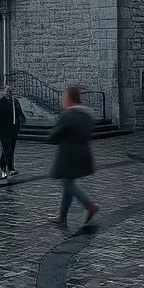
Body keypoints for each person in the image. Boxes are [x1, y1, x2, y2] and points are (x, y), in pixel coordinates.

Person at [45, 86, 99, 230]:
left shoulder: (68, 115)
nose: (63, 101)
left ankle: (90, 205)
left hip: (69, 155)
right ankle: (62, 216)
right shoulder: (86, 115)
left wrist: (52, 135)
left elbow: (54, 137)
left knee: (69, 185)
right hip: (84, 153)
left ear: (69, 99)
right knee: (68, 183)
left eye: (64, 98)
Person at [0, 84, 24, 179]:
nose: (10, 93)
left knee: (9, 149)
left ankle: (3, 167)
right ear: (4, 92)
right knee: (7, 149)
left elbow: (19, 113)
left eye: (11, 91)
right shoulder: (0, 103)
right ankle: (11, 169)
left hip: (13, 129)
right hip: (3, 130)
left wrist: (20, 123)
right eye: (8, 91)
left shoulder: (15, 102)